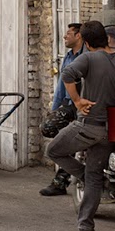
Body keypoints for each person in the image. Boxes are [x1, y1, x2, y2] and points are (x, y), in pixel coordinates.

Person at [48, 20, 115, 231]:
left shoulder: (88, 57)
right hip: (111, 132)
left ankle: (81, 175)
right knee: (94, 175)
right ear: (106, 38)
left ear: (88, 42)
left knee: (53, 150)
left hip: (88, 127)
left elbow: (66, 75)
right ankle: (85, 224)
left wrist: (77, 100)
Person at [40, 23, 85, 197]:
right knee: (49, 127)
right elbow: (61, 85)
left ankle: (61, 181)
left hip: (83, 105)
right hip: (68, 104)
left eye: (68, 34)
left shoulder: (86, 56)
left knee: (74, 139)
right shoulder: (68, 56)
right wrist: (55, 107)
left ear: (78, 36)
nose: (65, 37)